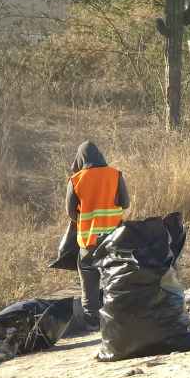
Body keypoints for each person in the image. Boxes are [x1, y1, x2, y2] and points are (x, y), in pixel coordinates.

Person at [66, 141, 129, 330]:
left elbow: (71, 213)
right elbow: (125, 203)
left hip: (88, 240)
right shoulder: (115, 174)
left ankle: (92, 319)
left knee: (88, 276)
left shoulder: (75, 180)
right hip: (114, 239)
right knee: (115, 274)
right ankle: (118, 312)